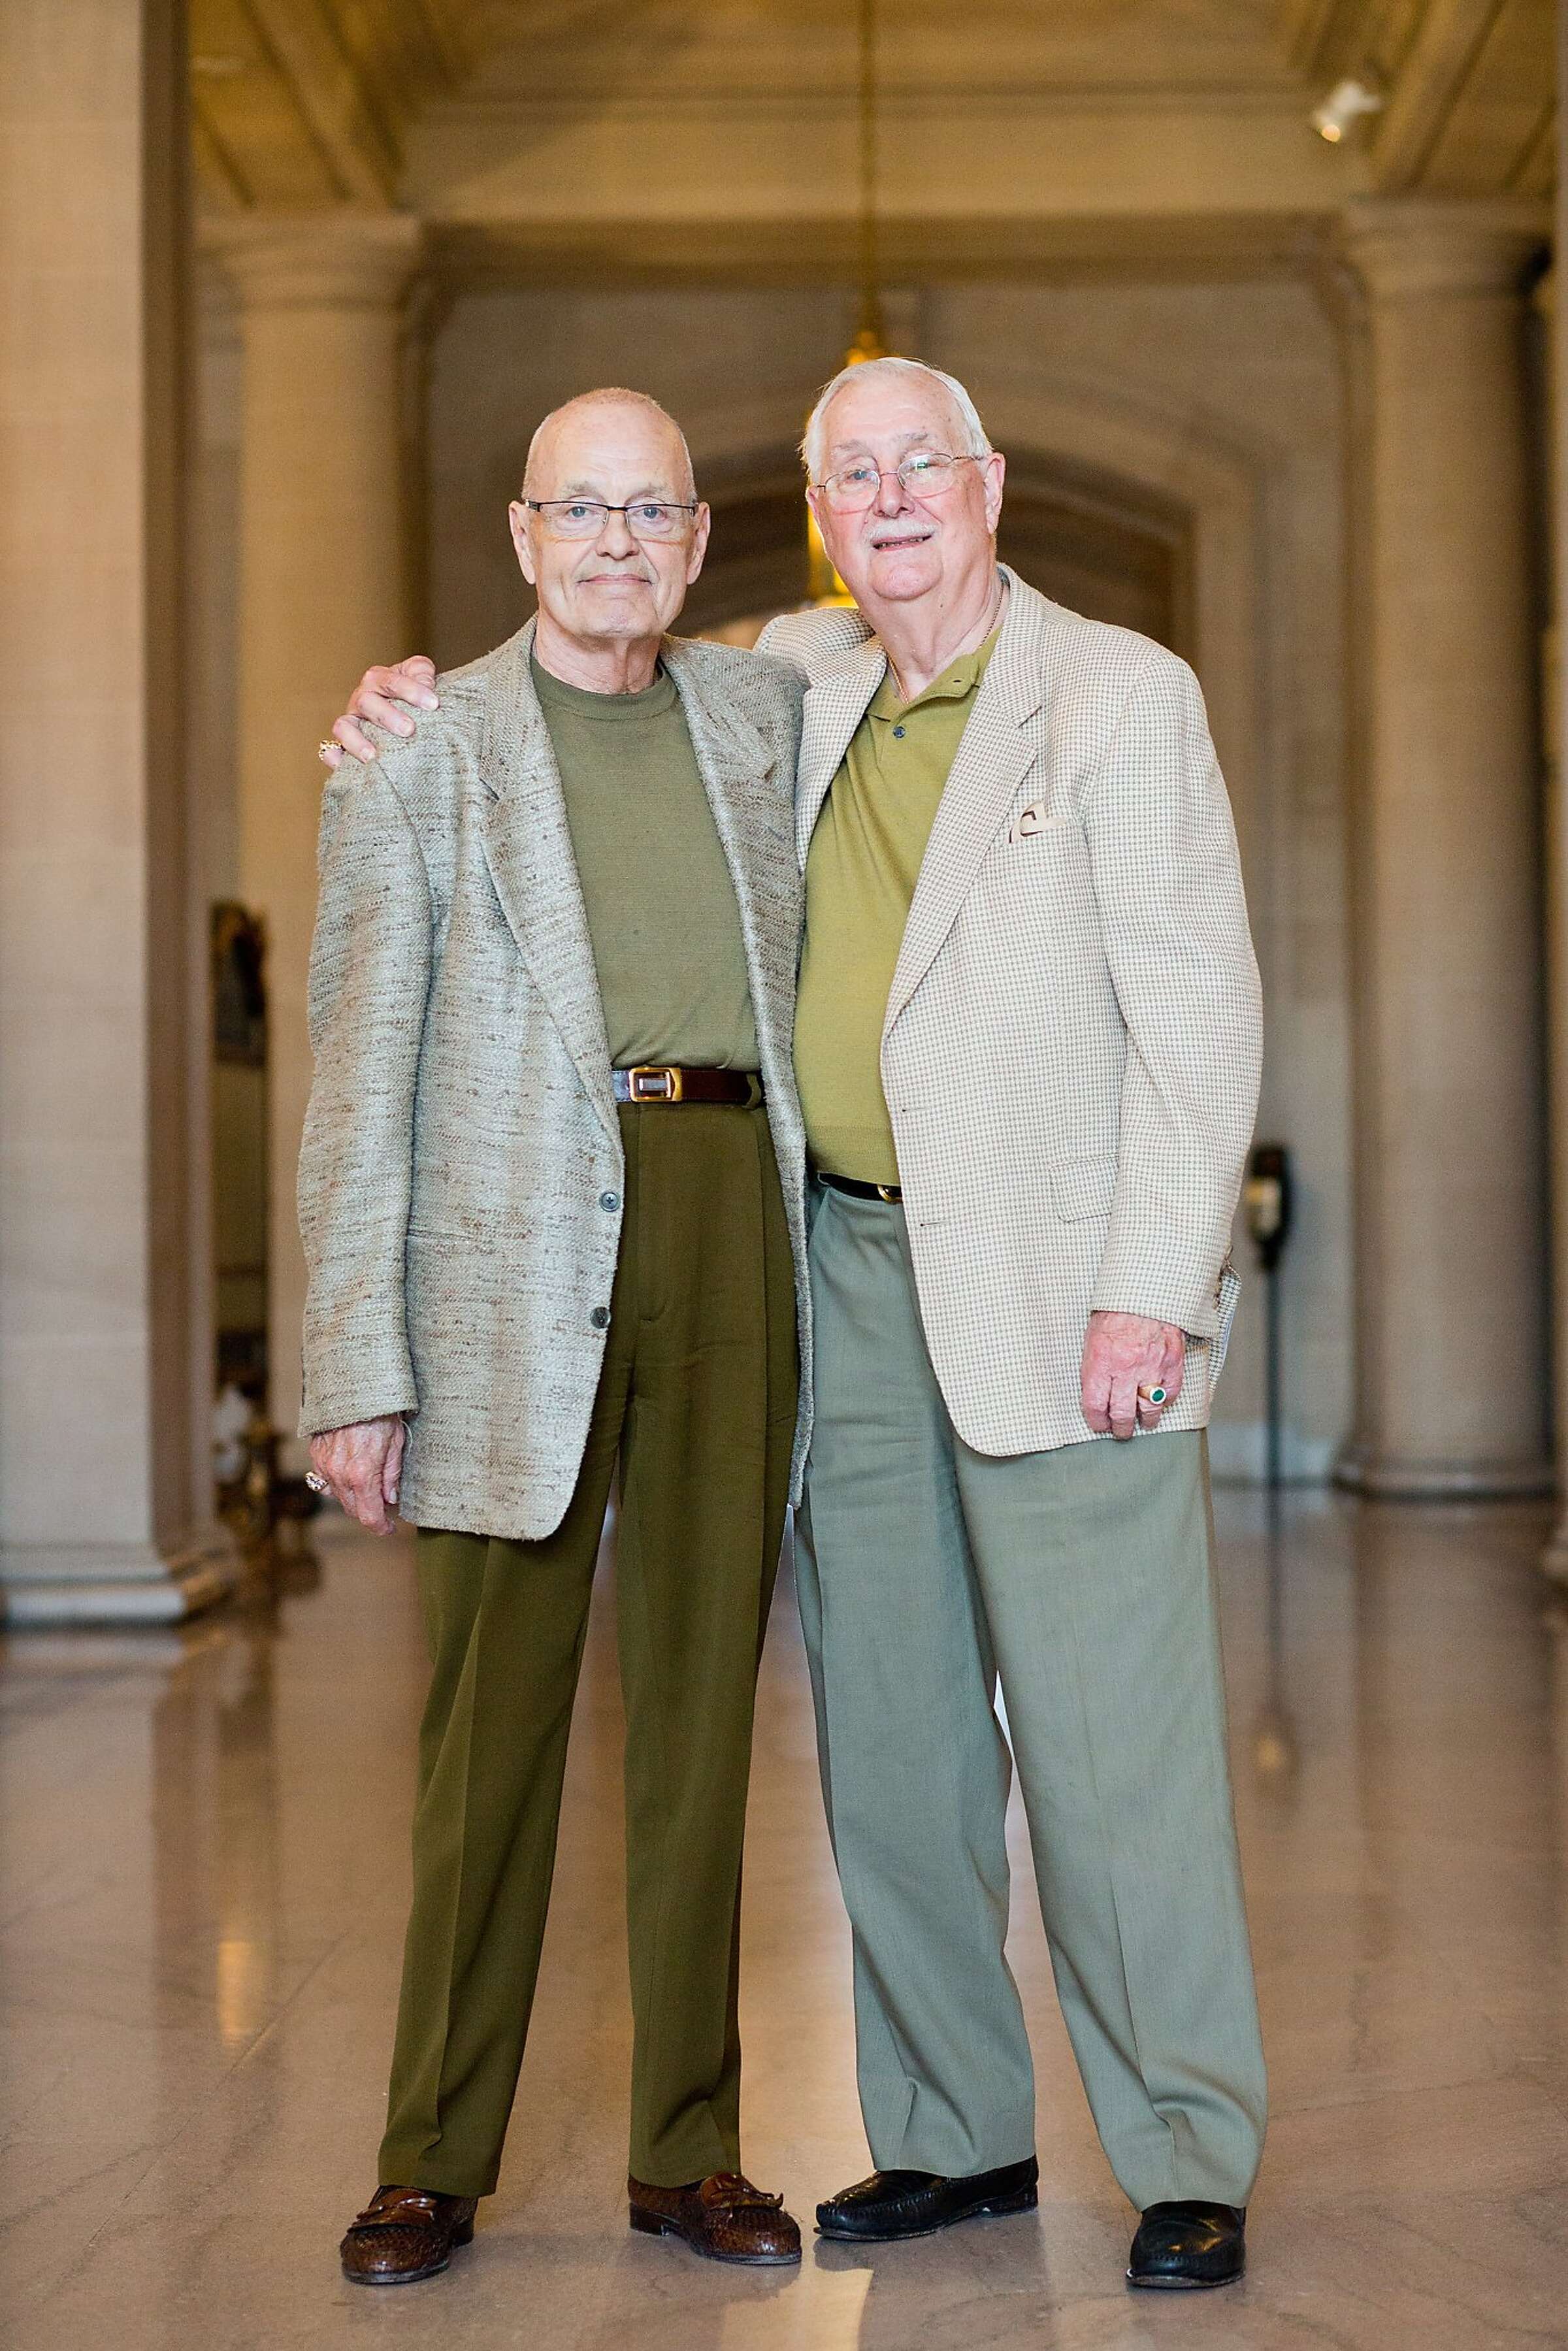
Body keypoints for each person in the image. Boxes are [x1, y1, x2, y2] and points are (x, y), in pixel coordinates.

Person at [325, 355, 1266, 2293]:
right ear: (824, 522)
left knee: (1098, 1745)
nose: (894, 495)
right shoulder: (770, 688)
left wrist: (1152, 1290)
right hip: (776, 1265)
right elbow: (382, 1020)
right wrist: (386, 698)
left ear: (990, 484)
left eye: (925, 460)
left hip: (998, 1280)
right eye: (857, 472)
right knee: (888, 1742)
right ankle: (937, 2133)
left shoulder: (1076, 697)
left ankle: (1166, 2147)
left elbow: (1204, 1026)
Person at [301, 387, 809, 2286]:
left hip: (724, 1217)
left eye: (649, 512)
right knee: (486, 1729)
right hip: (506, 1254)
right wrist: (357, 1359)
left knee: (701, 1717)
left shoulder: (770, 715)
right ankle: (431, 2154)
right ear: (523, 538)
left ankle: (689, 2150)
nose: (615, 543)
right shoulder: (421, 750)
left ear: (694, 542)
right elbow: (357, 1074)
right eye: (578, 510)